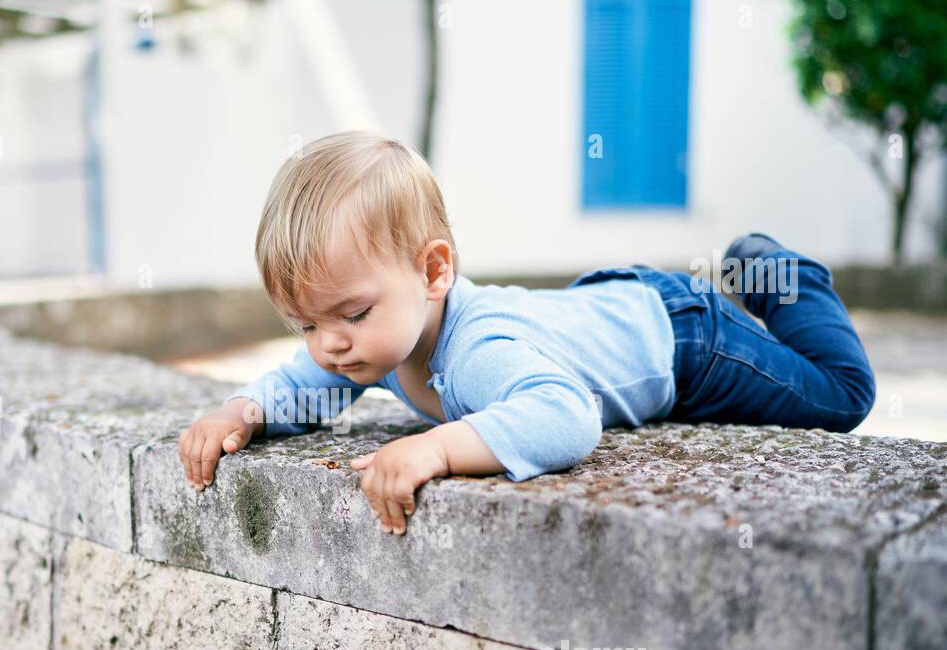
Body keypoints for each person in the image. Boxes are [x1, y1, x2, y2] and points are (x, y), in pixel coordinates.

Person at [177, 131, 876, 536]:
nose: (329, 344)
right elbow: (303, 390)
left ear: (434, 271)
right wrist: (240, 414)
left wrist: (438, 448)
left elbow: (567, 419)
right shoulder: (377, 340)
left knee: (839, 397)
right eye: (305, 323)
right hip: (605, 309)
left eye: (351, 315)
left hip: (686, 338)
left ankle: (776, 272)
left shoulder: (477, 350)